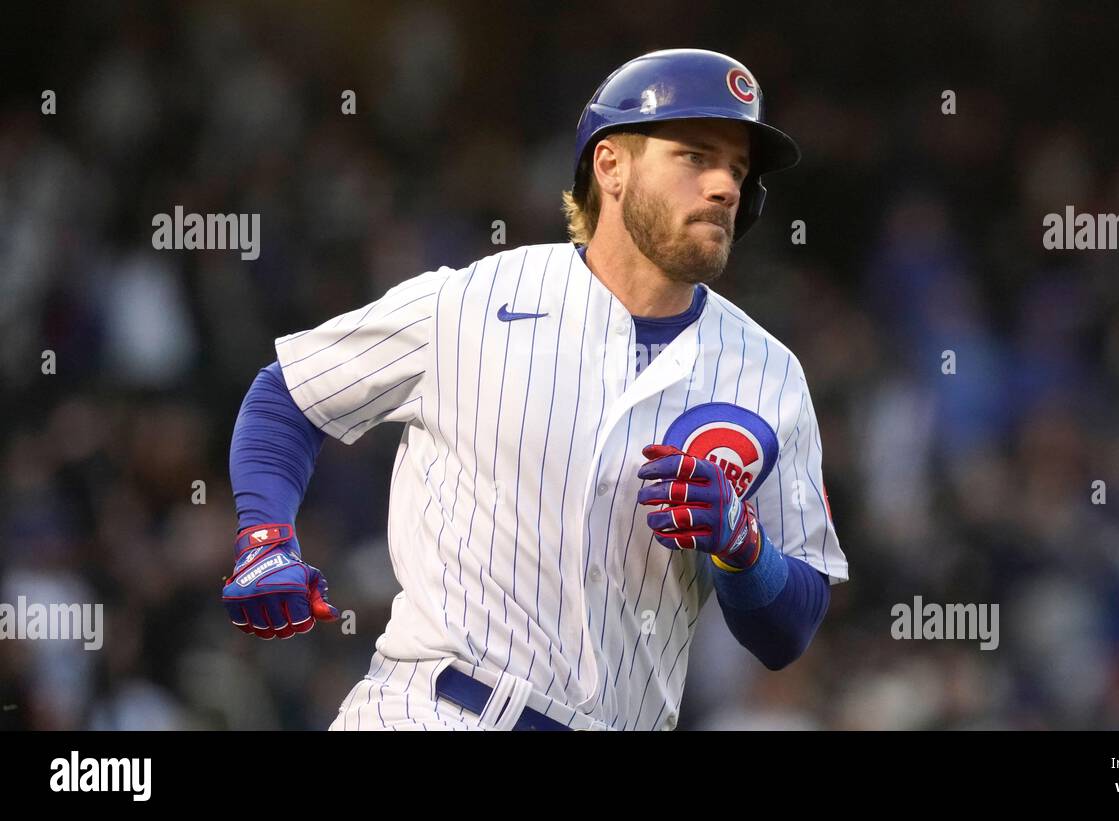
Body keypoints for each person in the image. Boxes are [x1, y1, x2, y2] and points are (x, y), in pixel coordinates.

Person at [222, 48, 848, 731]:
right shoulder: (474, 299)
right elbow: (289, 393)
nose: (725, 185)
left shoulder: (771, 373)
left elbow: (790, 631)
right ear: (611, 166)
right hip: (437, 710)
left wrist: (744, 547)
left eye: (737, 167)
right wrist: (266, 536)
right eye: (696, 156)